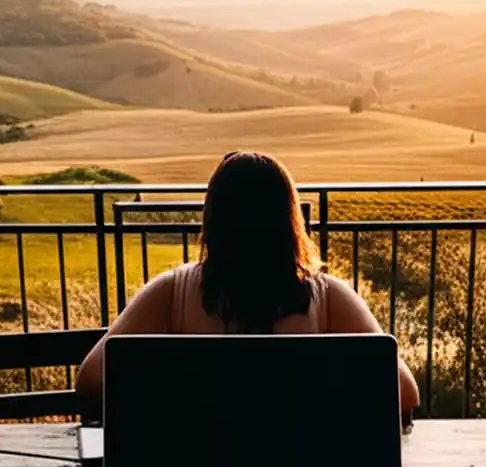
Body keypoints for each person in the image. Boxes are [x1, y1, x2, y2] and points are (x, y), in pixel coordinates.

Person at [76, 151, 421, 422]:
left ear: (212, 219)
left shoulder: (172, 292)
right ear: (289, 221)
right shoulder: (329, 296)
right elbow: (405, 392)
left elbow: (91, 379)